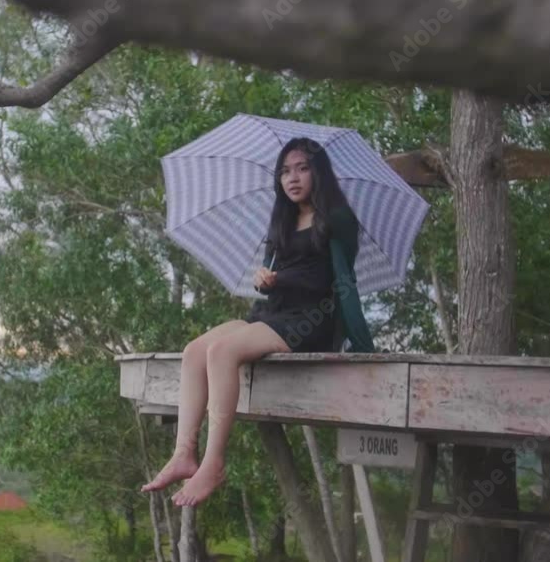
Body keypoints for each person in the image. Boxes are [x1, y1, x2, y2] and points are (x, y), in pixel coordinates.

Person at [140, 137, 375, 507]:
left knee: (222, 352)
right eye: (284, 171)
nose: (292, 178)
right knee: (194, 351)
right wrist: (262, 278)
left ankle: (214, 462)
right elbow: (275, 279)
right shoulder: (282, 218)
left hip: (312, 320)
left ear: (319, 172)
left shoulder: (338, 217)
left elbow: (334, 281)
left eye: (301, 168)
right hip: (275, 314)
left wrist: (362, 345)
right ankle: (185, 451)